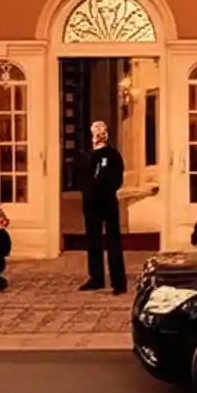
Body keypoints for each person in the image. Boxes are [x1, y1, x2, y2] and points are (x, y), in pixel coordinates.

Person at [79, 121, 127, 294]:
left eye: (102, 131)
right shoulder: (87, 156)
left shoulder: (113, 155)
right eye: (95, 131)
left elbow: (116, 179)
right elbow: (82, 177)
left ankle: (118, 282)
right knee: (93, 240)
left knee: (113, 241)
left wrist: (104, 188)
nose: (98, 134)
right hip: (90, 203)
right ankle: (96, 278)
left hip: (107, 201)